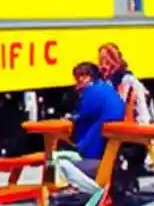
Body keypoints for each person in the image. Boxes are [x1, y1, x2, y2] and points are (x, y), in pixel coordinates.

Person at [54, 62, 127, 197]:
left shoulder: (92, 92)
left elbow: (80, 115)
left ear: (90, 77)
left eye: (82, 76)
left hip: (97, 159)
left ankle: (62, 194)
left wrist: (70, 118)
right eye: (77, 76)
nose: (79, 80)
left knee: (54, 161)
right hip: (110, 156)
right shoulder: (106, 89)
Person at [97, 43, 153, 124]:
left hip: (138, 124)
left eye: (107, 62)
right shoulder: (106, 81)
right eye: (101, 62)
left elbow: (118, 108)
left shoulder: (127, 79)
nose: (103, 66)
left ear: (116, 61)